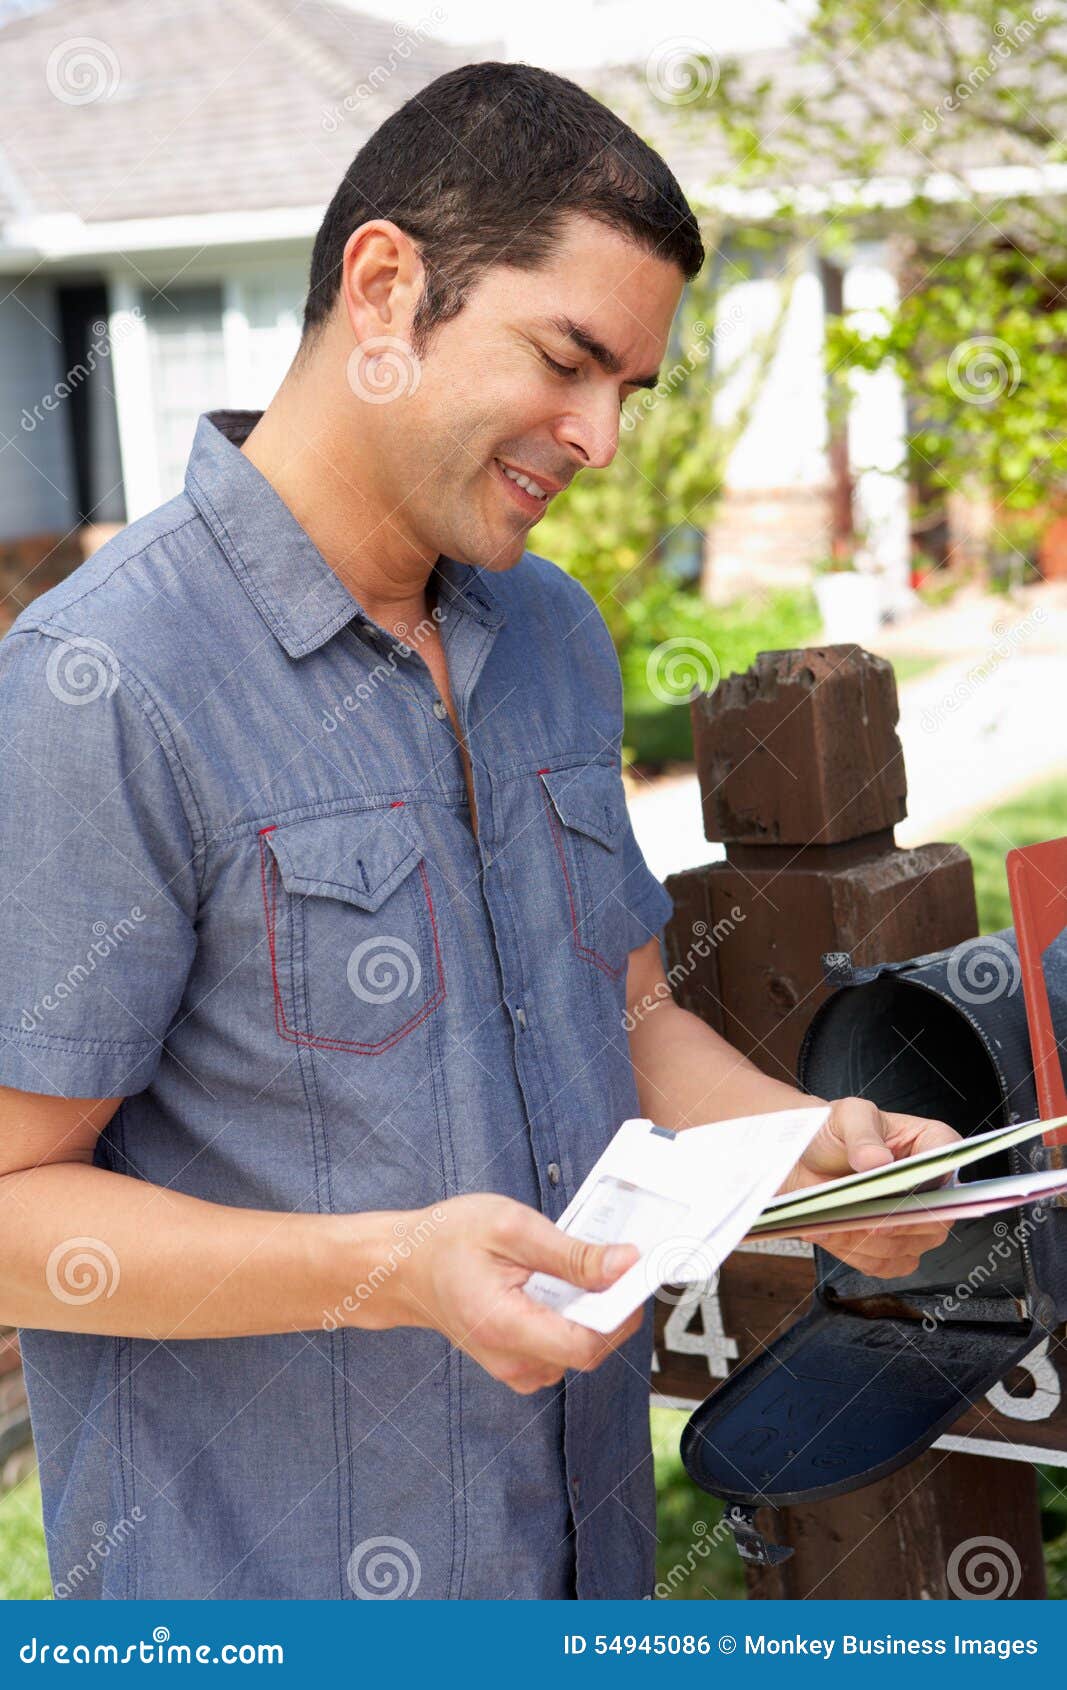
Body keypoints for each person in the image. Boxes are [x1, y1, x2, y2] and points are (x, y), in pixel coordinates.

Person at [0, 61, 958, 1601]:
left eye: (631, 390)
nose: (603, 440)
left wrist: (808, 1153)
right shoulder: (100, 684)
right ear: (386, 288)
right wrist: (390, 1270)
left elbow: (628, 1015)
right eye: (570, 361)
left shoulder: (555, 635)